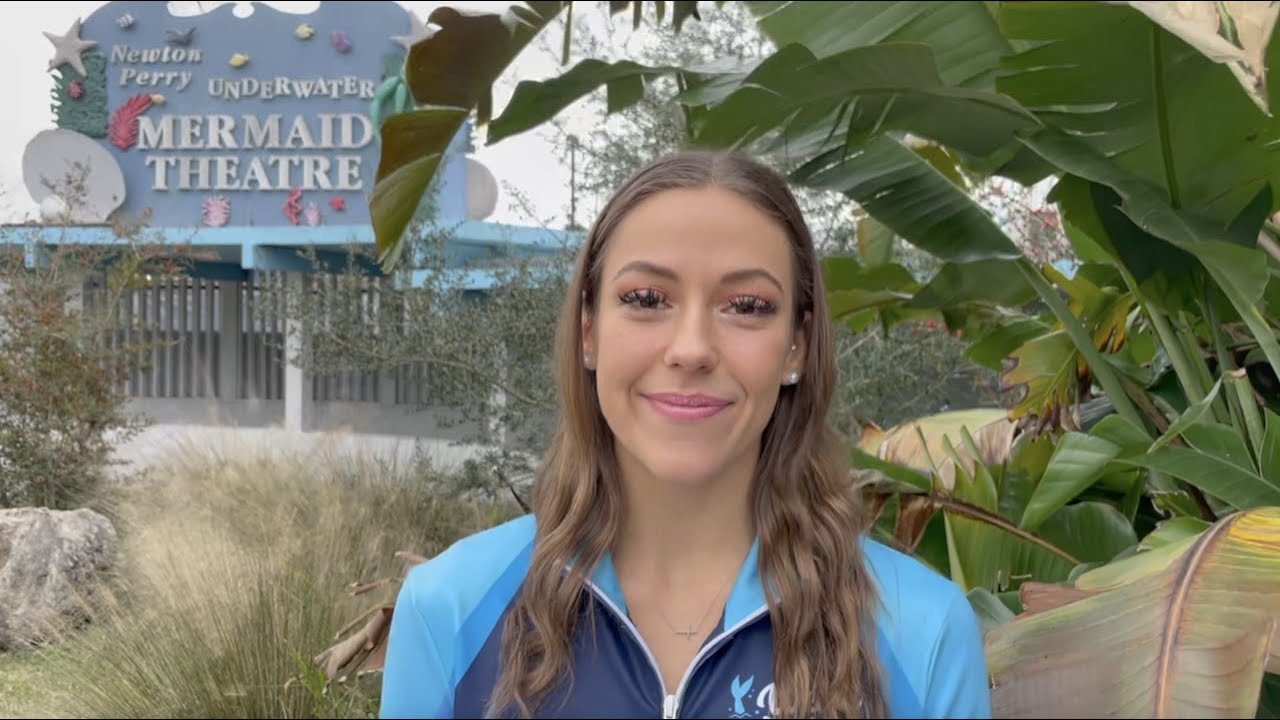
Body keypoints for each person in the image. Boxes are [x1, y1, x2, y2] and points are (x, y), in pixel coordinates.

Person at [378, 150, 992, 719]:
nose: (692, 349)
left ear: (796, 348)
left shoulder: (921, 633)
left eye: (746, 306)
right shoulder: (451, 611)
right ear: (589, 330)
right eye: (647, 298)